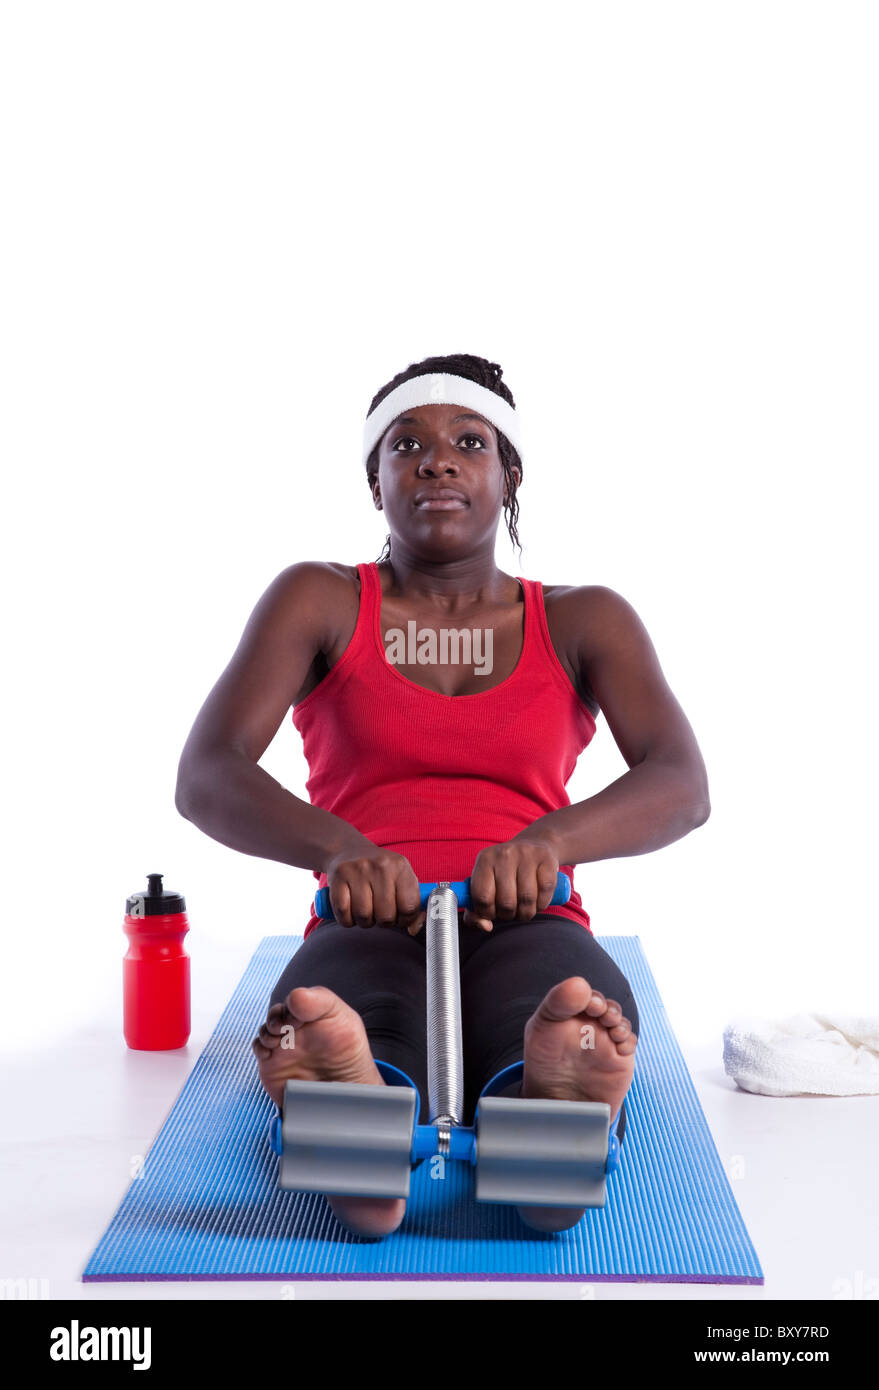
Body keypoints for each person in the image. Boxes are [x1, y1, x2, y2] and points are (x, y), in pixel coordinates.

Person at [174, 352, 710, 1240]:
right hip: (366, 912)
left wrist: (547, 846)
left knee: (554, 1003)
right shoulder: (319, 599)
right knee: (345, 1013)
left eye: (468, 441)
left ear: (509, 475)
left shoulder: (586, 617)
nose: (436, 460)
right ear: (373, 479)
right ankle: (359, 1131)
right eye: (406, 445)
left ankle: (547, 1126)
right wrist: (338, 851)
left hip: (530, 910)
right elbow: (207, 772)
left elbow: (680, 783)